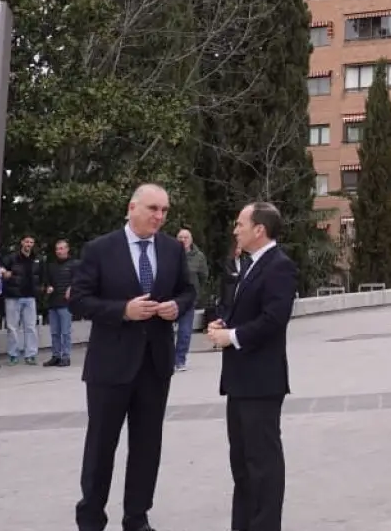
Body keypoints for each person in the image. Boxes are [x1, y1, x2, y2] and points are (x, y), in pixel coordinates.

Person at [71, 184, 195, 531]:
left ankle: (137, 518)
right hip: (110, 365)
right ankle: (91, 518)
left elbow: (188, 290)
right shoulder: (100, 249)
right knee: (101, 446)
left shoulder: (172, 249)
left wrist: (177, 306)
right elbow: (79, 300)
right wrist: (123, 310)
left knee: (146, 446)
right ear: (132, 207)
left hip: (155, 365)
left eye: (165, 211)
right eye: (153, 209)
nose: (159, 216)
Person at [206, 202, 296, 531]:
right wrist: (224, 324)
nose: (235, 230)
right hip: (240, 381)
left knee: (263, 465)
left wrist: (232, 336)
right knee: (242, 464)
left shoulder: (279, 266)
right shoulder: (250, 264)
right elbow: (248, 311)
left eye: (240, 223)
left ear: (260, 229)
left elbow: (274, 320)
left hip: (262, 382)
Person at [0, 234, 43, 365]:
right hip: (13, 296)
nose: (29, 244)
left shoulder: (37, 259)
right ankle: (13, 355)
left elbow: (41, 275)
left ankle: (30, 355)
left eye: (31, 242)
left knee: (30, 327)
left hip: (30, 297)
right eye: (27, 242)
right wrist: (4, 273)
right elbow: (0, 266)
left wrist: (41, 288)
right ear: (22, 242)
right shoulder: (12, 257)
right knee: (12, 328)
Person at [173, 228, 208, 371]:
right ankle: (167, 359)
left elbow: (203, 276)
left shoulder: (199, 256)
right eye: (180, 237)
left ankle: (180, 360)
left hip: (188, 299)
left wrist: (195, 290)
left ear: (191, 240)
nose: (183, 240)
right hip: (171, 298)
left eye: (186, 237)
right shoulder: (170, 254)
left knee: (185, 331)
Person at [43, 238, 78, 368]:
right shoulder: (51, 265)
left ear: (67, 249)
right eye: (57, 249)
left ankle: (66, 356)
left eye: (62, 248)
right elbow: (47, 282)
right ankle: (56, 356)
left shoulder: (74, 264)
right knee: (54, 332)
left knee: (65, 332)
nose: (59, 251)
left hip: (66, 304)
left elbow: (80, 280)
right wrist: (48, 287)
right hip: (53, 302)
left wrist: (71, 288)